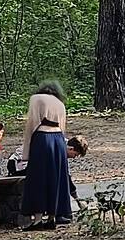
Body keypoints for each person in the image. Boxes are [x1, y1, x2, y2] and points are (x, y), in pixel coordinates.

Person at [20, 81, 74, 229]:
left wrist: (26, 153)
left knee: (38, 177)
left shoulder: (36, 99)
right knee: (55, 177)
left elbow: (32, 123)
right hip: (58, 140)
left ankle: (37, 219)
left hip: (43, 138)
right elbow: (62, 127)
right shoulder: (60, 103)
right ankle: (52, 217)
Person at [8, 135, 87, 201]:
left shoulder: (63, 144)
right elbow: (66, 176)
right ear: (71, 149)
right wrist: (77, 199)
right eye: (75, 155)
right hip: (18, 165)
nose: (74, 158)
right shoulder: (57, 148)